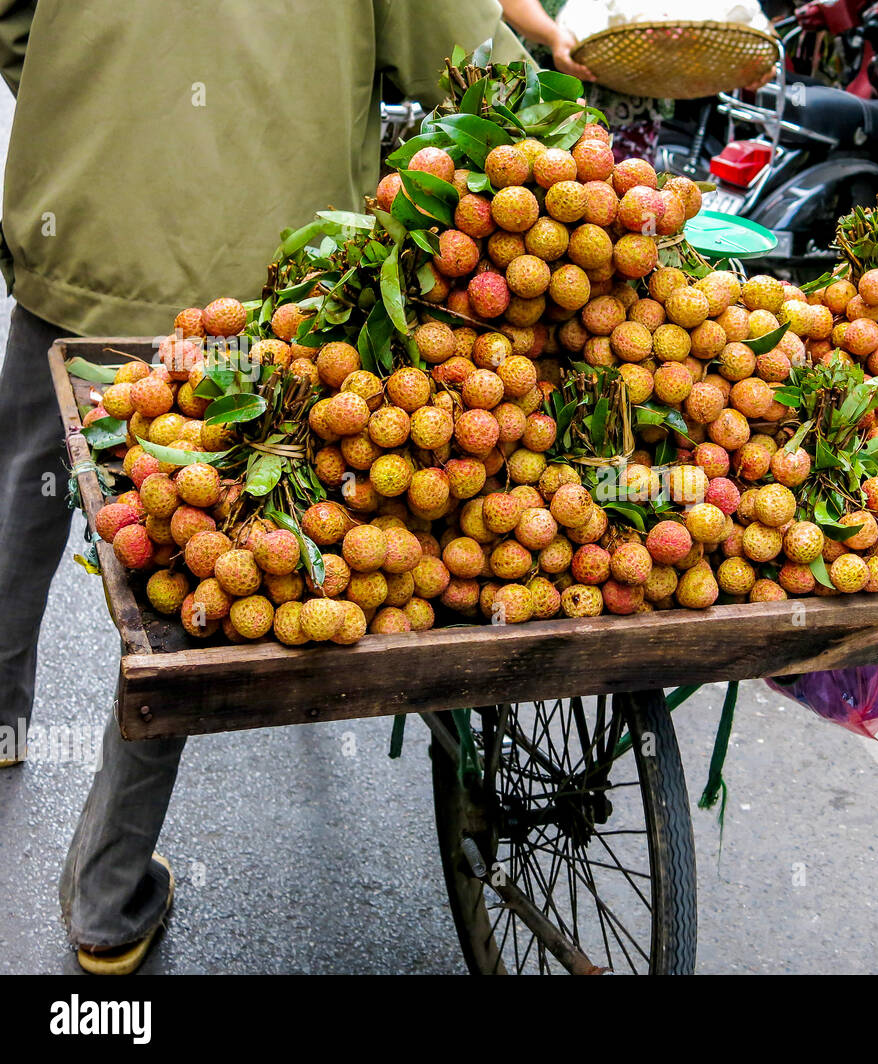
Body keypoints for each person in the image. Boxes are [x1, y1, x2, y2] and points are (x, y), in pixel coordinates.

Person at [0, 0, 524, 973]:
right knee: (186, 567)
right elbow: (462, 58)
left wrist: (91, 98)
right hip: (265, 276)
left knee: (23, 480)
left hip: (80, 225)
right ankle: (107, 898)